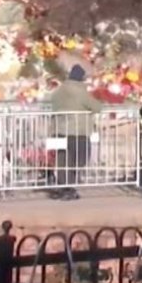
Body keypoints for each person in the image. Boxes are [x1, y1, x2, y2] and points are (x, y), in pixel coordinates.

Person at [47, 65, 103, 201]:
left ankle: (63, 187)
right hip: (78, 132)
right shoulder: (80, 91)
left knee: (62, 161)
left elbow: (51, 104)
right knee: (78, 160)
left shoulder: (59, 91)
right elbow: (97, 107)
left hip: (59, 130)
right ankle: (69, 188)